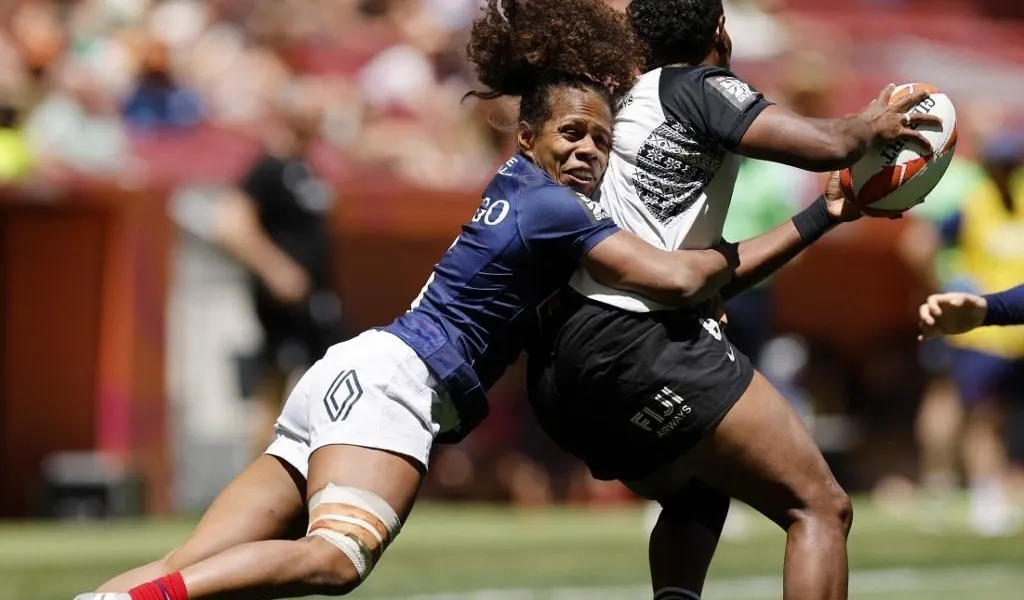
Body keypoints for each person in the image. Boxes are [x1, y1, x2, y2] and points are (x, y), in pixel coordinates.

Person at [72, 1, 740, 599]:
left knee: (184, 559)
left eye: (601, 139)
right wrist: (808, 224)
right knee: (336, 559)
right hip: (399, 383)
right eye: (571, 134)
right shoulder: (556, 211)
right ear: (526, 137)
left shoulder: (522, 191)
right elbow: (675, 277)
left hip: (358, 369)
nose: (587, 151)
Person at [527, 1, 940, 599]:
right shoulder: (700, 85)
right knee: (820, 508)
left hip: (564, 363)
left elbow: (704, 274)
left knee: (698, 487)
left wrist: (822, 217)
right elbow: (827, 144)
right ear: (720, 32)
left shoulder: (627, 108)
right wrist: (871, 124)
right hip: (643, 341)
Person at [212, 82, 346, 457]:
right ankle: (258, 481)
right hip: (283, 301)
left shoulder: (306, 168)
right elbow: (230, 224)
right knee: (273, 387)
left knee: (327, 379)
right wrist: (275, 269)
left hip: (318, 297)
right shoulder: (268, 168)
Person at [912, 130, 1024, 536]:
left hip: (1014, 329)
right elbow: (919, 245)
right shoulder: (972, 205)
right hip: (983, 333)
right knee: (984, 416)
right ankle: (985, 494)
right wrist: (946, 286)